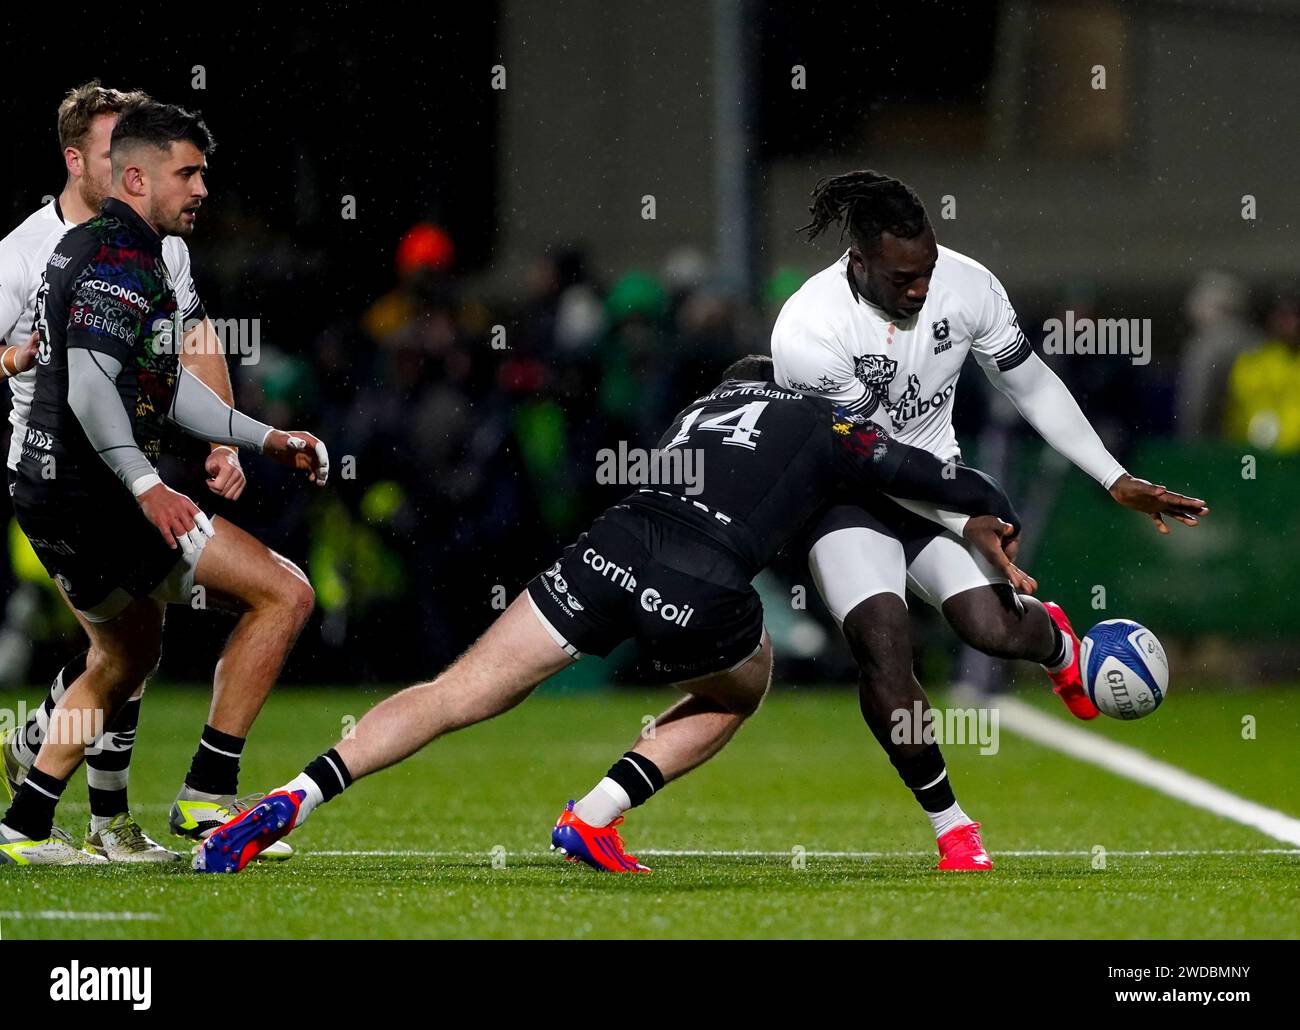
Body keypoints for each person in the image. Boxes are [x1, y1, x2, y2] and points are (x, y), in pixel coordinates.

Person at [194, 355, 1034, 874]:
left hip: (610, 544)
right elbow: (919, 472)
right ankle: (594, 815)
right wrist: (991, 506)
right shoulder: (816, 417)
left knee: (456, 691)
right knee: (741, 690)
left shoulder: (694, 414)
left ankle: (291, 797)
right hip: (701, 579)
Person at [770, 170, 1209, 868]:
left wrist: (1114, 477)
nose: (920, 288)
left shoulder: (968, 285)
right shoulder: (807, 330)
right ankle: (952, 826)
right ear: (859, 264)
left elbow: (1028, 382)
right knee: (882, 646)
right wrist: (970, 507)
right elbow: (873, 460)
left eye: (928, 269)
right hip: (845, 498)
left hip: (940, 481)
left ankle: (1060, 647)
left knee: (992, 630)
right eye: (903, 277)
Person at [0, 99, 329, 868]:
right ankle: (206, 792)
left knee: (122, 658)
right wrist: (148, 484)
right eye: (189, 172)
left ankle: (25, 821)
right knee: (284, 592)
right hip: (95, 492)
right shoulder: (116, 259)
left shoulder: (109, 247)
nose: (203, 188)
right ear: (137, 177)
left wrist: (261, 436)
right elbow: (88, 383)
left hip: (54, 488)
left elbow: (163, 382)